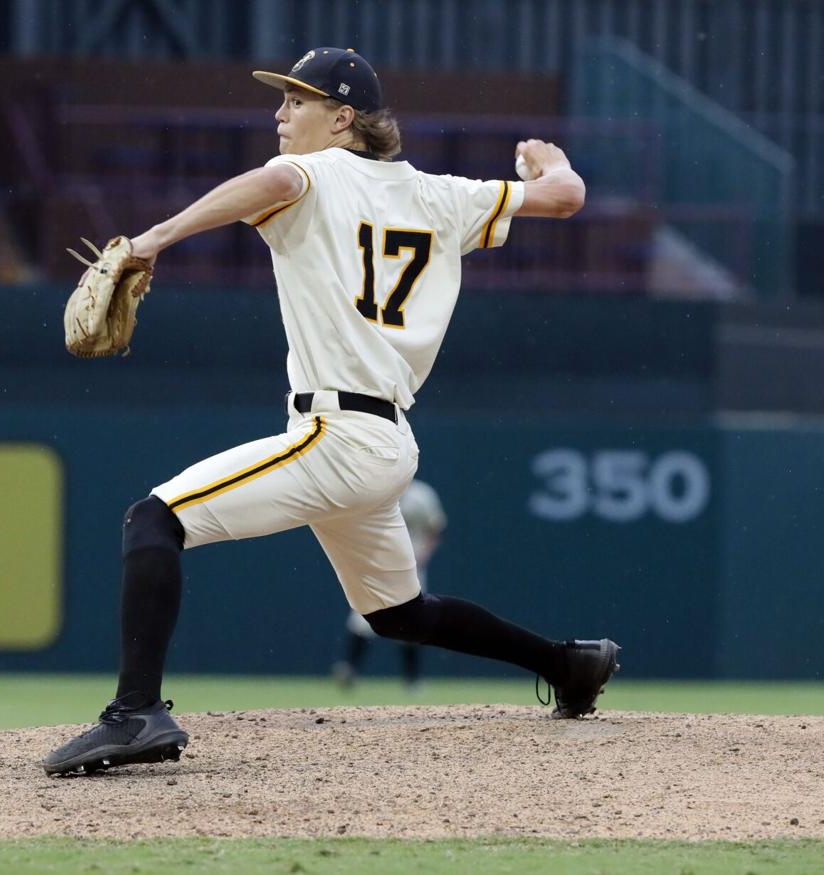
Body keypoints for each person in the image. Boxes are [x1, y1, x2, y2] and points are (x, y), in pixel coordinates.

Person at [43, 47, 619, 777]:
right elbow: (566, 199)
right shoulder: (444, 195)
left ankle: (135, 713)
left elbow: (271, 180)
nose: (280, 115)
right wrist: (549, 163)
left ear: (342, 118)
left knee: (152, 518)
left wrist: (153, 239)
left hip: (335, 435)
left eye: (297, 102)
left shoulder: (311, 174)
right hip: (386, 444)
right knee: (396, 613)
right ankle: (569, 664)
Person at [332, 479, 446, 689]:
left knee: (413, 619)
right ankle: (350, 669)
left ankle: (412, 679)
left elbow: (436, 528)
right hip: (377, 565)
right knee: (363, 615)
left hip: (411, 567)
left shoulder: (421, 495)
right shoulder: (375, 490)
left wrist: (424, 554)